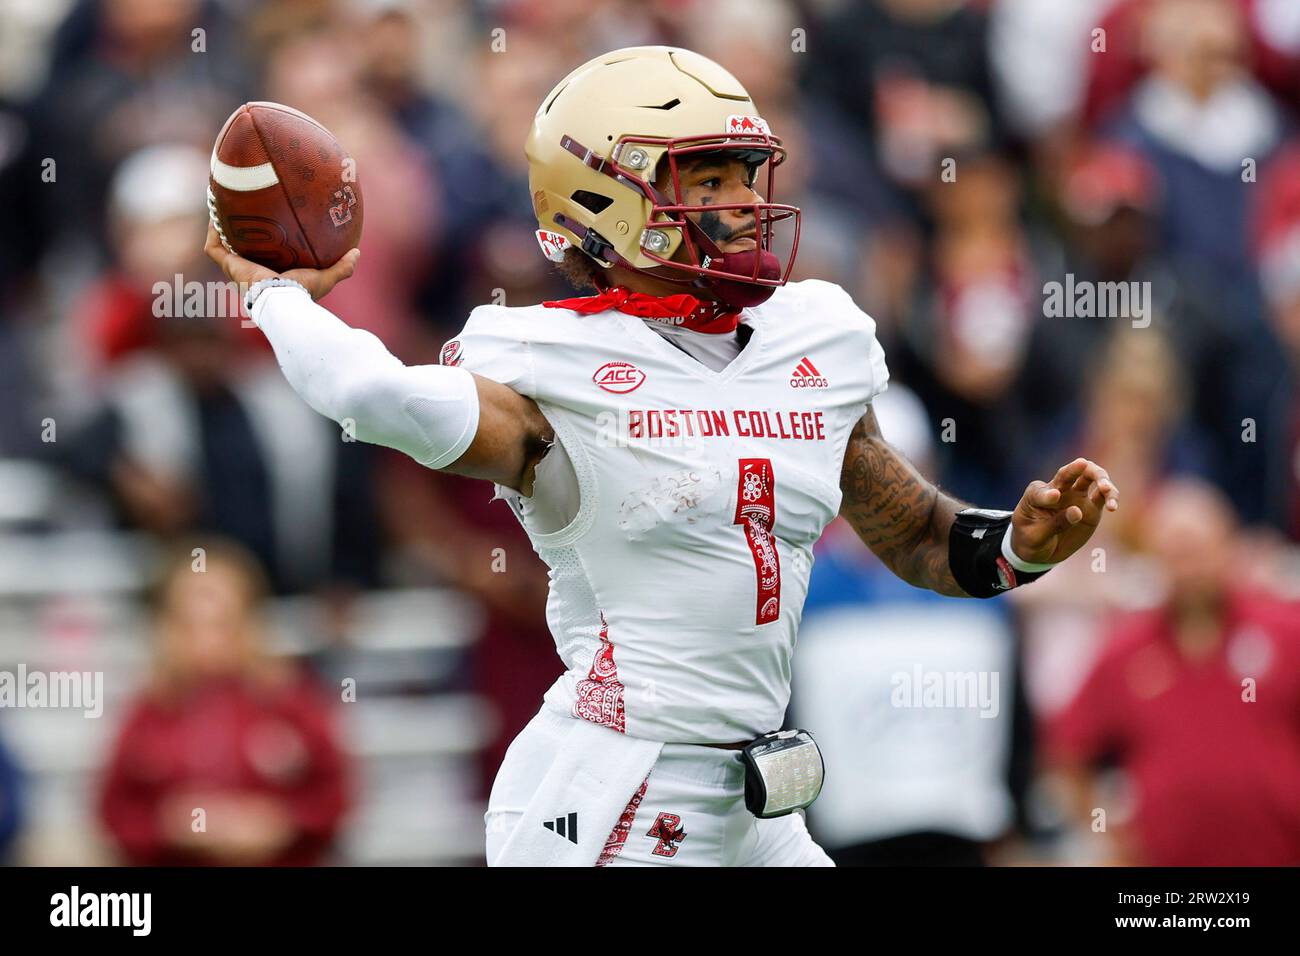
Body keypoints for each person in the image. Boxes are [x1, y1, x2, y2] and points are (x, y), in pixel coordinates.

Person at [206, 46, 1119, 867]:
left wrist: (1022, 545)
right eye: (705, 176)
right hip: (612, 794)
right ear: (602, 199)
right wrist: (281, 298)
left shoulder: (815, 338)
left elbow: (918, 534)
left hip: (756, 800)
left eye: (745, 173)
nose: (745, 202)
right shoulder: (548, 364)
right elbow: (370, 396)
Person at [1047, 480, 1300, 866]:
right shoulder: (1126, 651)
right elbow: (1067, 751)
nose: (1188, 569)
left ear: (1228, 549)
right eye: (1176, 555)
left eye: (1197, 552)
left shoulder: (1285, 632)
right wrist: (1110, 838)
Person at [98, 540, 350, 865]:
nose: (206, 639)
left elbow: (335, 798)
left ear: (249, 620)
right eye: (189, 623)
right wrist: (170, 825)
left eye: (221, 622)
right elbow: (115, 813)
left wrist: (280, 822)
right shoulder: (150, 709)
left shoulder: (291, 702)